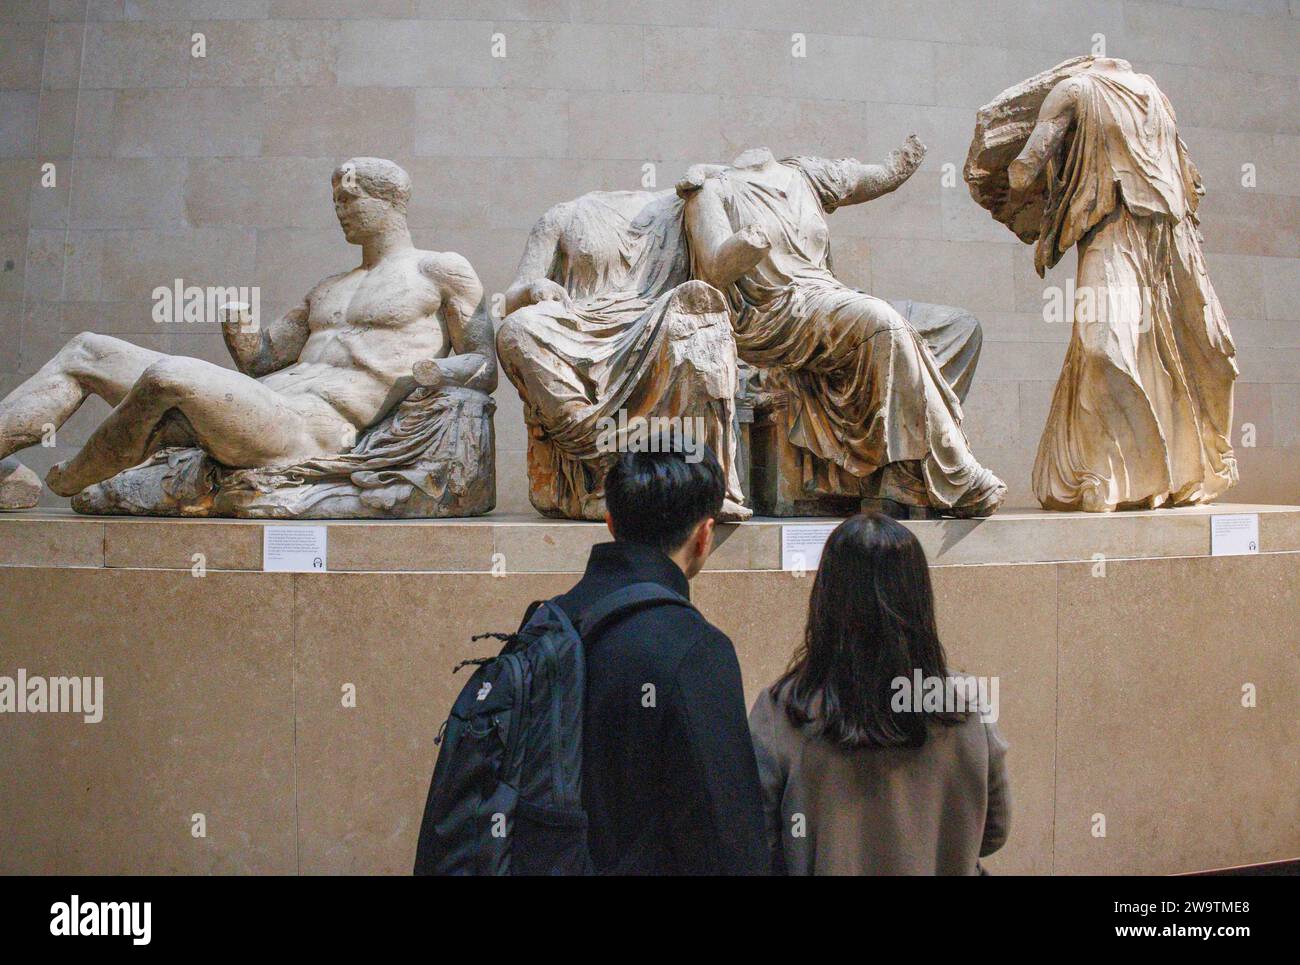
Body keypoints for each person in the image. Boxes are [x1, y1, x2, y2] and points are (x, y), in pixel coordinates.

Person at [749, 513, 1011, 875]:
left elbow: (757, 840)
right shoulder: (965, 707)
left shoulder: (783, 712)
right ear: (919, 599)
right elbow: (994, 831)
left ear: (826, 598)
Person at [552, 444, 768, 874]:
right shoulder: (697, 652)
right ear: (704, 535)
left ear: (610, 524)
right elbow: (728, 840)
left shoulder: (546, 622)